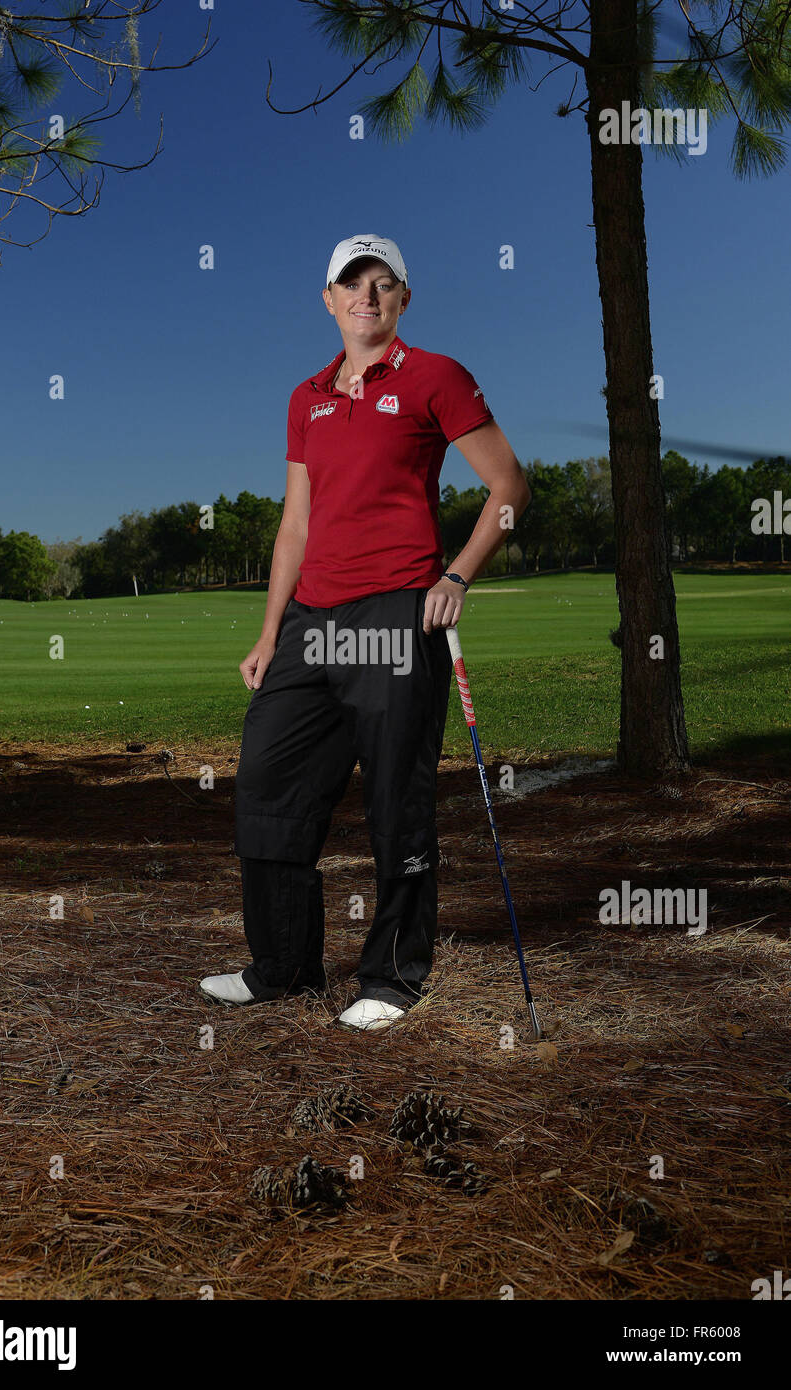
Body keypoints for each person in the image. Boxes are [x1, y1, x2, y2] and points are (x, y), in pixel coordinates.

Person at [200, 234, 531, 1032]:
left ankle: (391, 976)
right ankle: (282, 965)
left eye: (384, 285)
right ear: (328, 299)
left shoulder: (435, 377)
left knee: (395, 797)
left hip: (395, 611)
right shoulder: (306, 395)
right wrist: (270, 630)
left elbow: (510, 486)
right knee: (269, 782)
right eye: (352, 284)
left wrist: (457, 576)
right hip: (313, 620)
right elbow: (294, 525)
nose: (367, 298)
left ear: (403, 300)